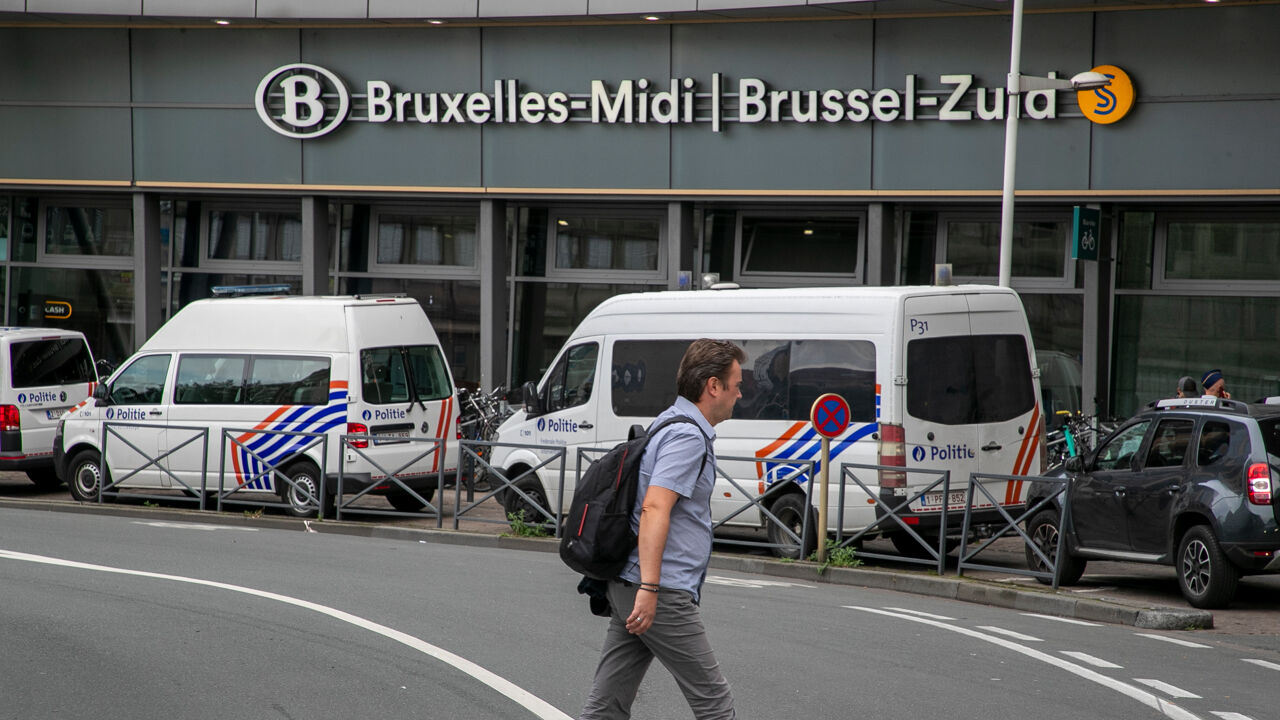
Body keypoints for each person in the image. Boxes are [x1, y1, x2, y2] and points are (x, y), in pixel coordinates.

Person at [579, 338, 744, 720]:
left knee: (606, 707)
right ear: (713, 386)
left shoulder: (668, 421)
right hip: (660, 589)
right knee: (715, 703)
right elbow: (655, 506)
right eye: (736, 384)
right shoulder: (687, 436)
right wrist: (651, 588)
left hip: (629, 582)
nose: (740, 393)